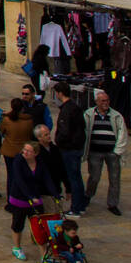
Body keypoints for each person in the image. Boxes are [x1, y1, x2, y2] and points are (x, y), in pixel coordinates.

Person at [82, 89, 125, 216]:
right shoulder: (89, 114)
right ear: (97, 102)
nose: (106, 103)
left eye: (107, 100)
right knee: (94, 176)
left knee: (115, 178)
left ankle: (113, 204)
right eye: (103, 101)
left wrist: (117, 151)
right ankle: (88, 195)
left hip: (112, 152)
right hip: (95, 152)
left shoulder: (116, 115)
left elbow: (122, 133)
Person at [8, 141, 54, 260]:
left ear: (36, 153)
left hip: (35, 198)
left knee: (39, 225)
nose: (25, 152)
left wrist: (54, 193)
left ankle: (43, 254)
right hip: (19, 198)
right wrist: (29, 196)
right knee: (18, 224)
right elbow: (19, 180)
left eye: (29, 151)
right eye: (24, 149)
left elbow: (46, 177)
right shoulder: (18, 160)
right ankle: (17, 247)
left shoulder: (40, 162)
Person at [54, 83, 88, 219]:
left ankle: (75, 209)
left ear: (60, 93)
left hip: (69, 149)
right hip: (76, 147)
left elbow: (65, 131)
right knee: (77, 178)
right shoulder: (76, 107)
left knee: (73, 178)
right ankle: (80, 205)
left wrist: (58, 141)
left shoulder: (67, 109)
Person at [0, 97, 37, 185]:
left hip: (9, 150)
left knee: (11, 174)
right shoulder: (29, 121)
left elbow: (1, 131)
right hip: (23, 151)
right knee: (22, 174)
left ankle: (11, 197)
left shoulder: (7, 120)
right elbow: (31, 134)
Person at [34, 123, 66, 215]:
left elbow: (62, 168)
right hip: (43, 192)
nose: (49, 136)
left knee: (58, 214)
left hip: (56, 189)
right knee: (49, 216)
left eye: (49, 133)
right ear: (39, 138)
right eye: (46, 135)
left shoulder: (55, 149)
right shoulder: (36, 152)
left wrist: (68, 188)